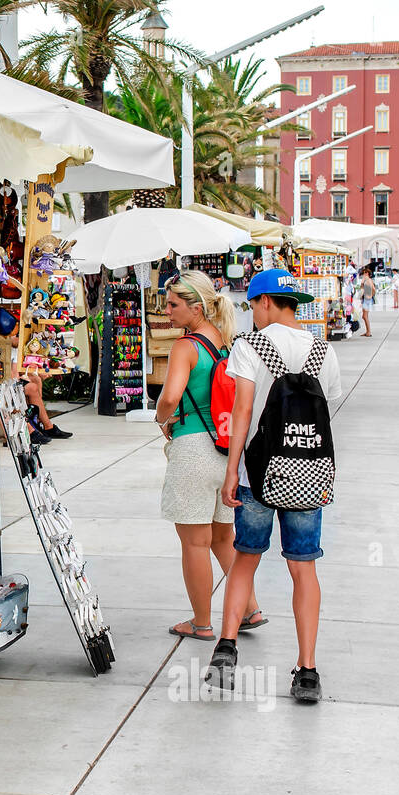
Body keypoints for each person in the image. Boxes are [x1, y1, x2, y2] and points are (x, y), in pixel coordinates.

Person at [205, 268, 343, 703]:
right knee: (303, 568)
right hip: (306, 474)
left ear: (265, 302)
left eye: (252, 306)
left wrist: (232, 472)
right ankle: (307, 671)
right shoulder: (323, 351)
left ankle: (226, 649)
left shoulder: (250, 347)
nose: (252, 315)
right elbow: (323, 415)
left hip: (257, 476)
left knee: (245, 559)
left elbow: (242, 414)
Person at [154, 271, 266, 641]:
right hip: (224, 449)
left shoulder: (186, 347)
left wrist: (161, 418)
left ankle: (201, 623)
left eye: (173, 305)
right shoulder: (223, 341)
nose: (166, 311)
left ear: (196, 308)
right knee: (222, 538)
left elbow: (170, 397)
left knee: (194, 542)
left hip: (193, 450)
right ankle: (249, 609)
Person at [359, 267, 375, 336]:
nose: (363, 274)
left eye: (365, 273)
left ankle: (368, 332)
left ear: (367, 273)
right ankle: (367, 331)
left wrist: (371, 295)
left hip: (367, 299)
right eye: (363, 273)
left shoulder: (369, 280)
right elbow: (362, 288)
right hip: (365, 298)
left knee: (365, 316)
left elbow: (373, 289)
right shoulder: (366, 280)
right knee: (364, 316)